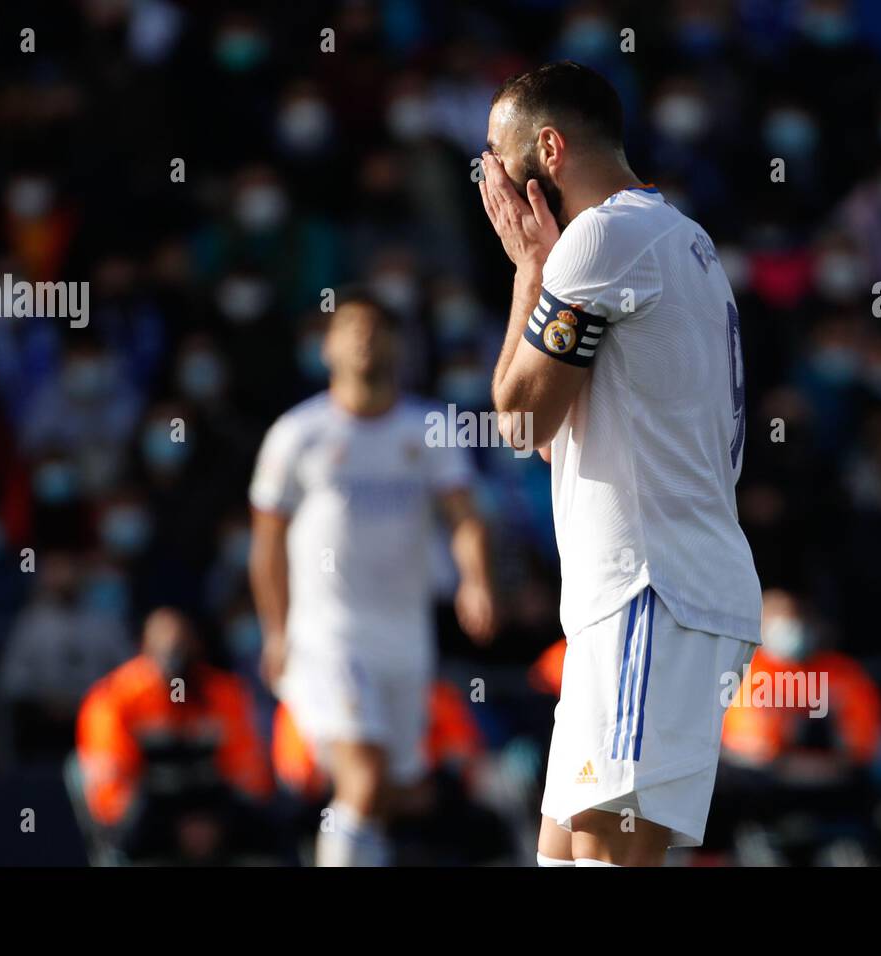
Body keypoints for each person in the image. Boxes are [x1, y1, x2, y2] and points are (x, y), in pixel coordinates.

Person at [480, 61, 762, 866]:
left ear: (550, 147)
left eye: (497, 157)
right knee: (563, 858)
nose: (492, 180)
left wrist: (530, 271)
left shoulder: (604, 237)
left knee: (607, 861)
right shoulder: (678, 236)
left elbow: (518, 420)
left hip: (652, 586)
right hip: (641, 592)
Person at [248, 291, 496, 866]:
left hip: (405, 634)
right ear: (327, 346)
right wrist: (276, 630)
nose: (364, 337)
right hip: (328, 634)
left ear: (399, 345)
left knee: (390, 790)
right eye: (351, 326)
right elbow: (266, 545)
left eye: (378, 327)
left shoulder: (429, 427)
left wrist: (475, 580)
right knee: (362, 773)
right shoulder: (298, 434)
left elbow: (464, 518)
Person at [75, 608, 282, 864]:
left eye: (182, 646)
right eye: (165, 648)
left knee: (269, 830)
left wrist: (211, 821)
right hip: (150, 818)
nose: (175, 657)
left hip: (213, 813)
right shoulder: (114, 700)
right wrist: (174, 826)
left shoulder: (224, 693)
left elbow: (250, 777)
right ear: (144, 648)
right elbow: (111, 791)